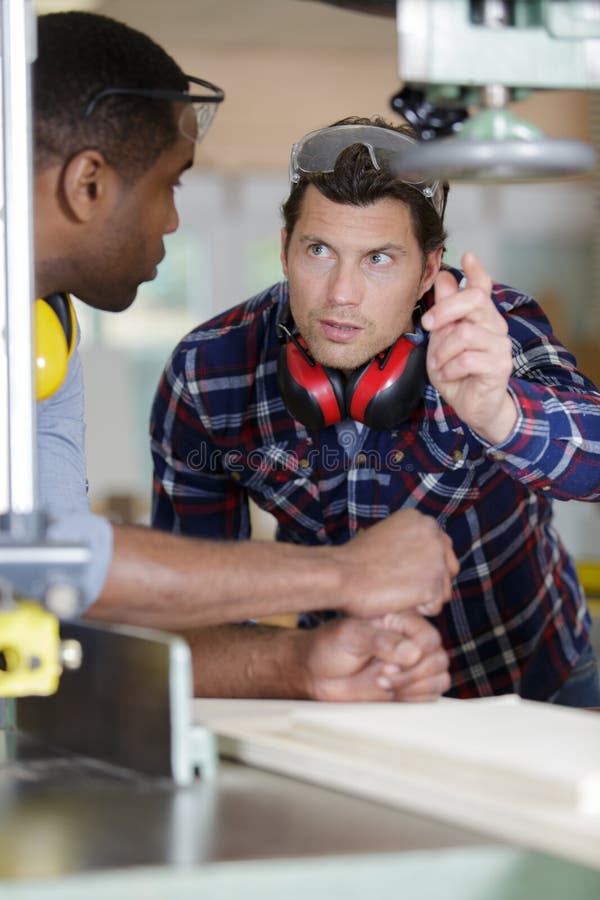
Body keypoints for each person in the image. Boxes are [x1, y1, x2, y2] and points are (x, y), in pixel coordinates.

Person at [25, 12, 458, 702]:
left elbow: (55, 564)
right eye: (172, 183)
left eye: (378, 259)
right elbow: (36, 557)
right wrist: (342, 575)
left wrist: (302, 662)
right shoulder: (205, 369)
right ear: (88, 185)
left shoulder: (46, 327)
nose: (171, 220)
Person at [151, 115, 600, 705]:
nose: (342, 293)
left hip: (535, 683)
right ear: (285, 250)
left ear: (427, 270)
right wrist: (284, 669)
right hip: (349, 687)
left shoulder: (488, 330)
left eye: (379, 259)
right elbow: (193, 598)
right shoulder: (208, 374)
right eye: (320, 250)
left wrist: (499, 412)